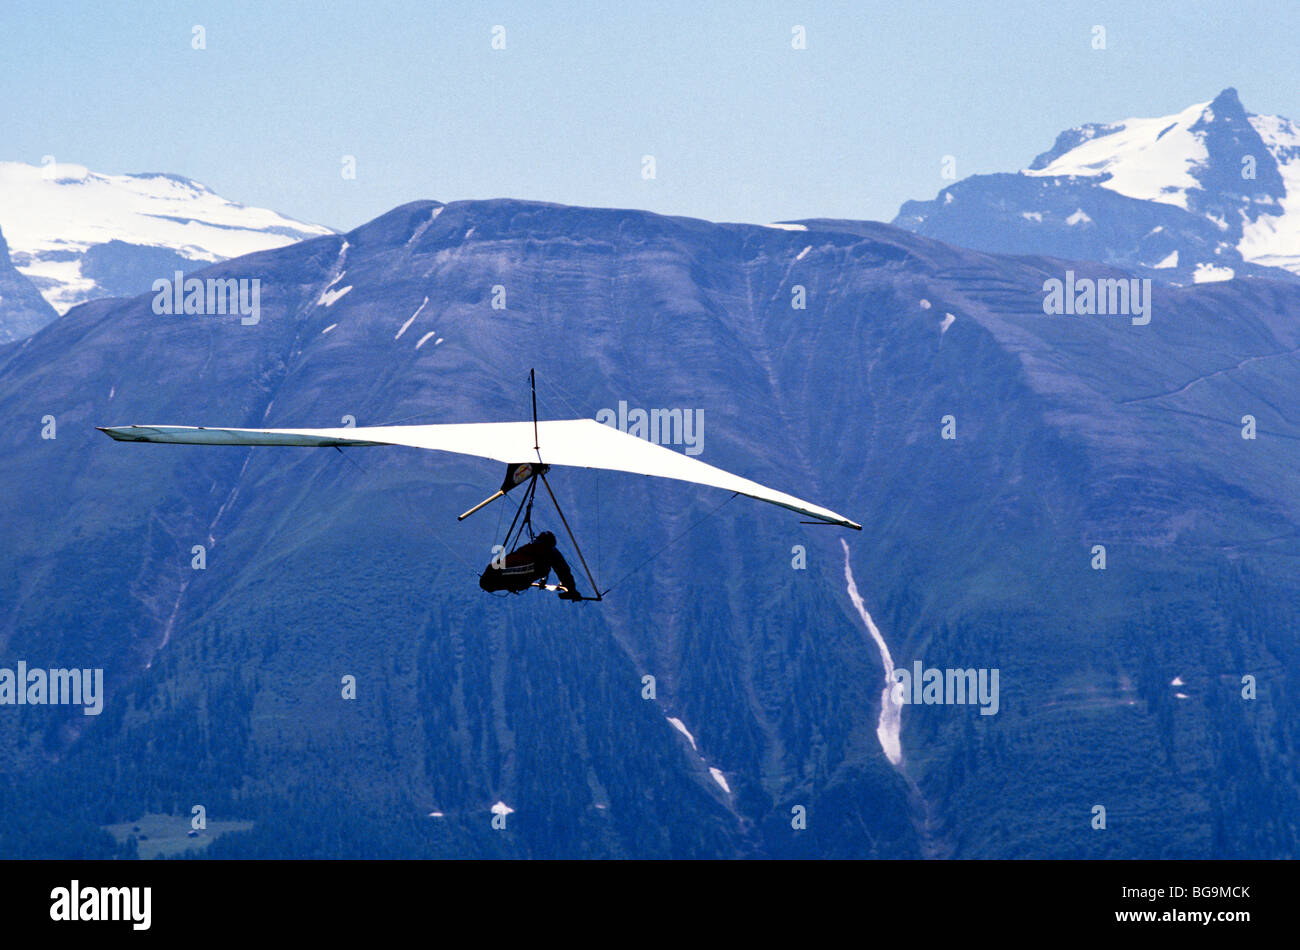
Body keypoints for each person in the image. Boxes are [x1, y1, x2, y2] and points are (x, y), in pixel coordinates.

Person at [479, 531, 583, 600]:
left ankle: (504, 581)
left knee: (492, 578)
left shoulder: (530, 547)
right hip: (515, 572)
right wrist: (571, 590)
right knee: (494, 577)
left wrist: (542, 580)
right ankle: (505, 581)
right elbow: (563, 570)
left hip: (501, 572)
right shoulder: (549, 551)